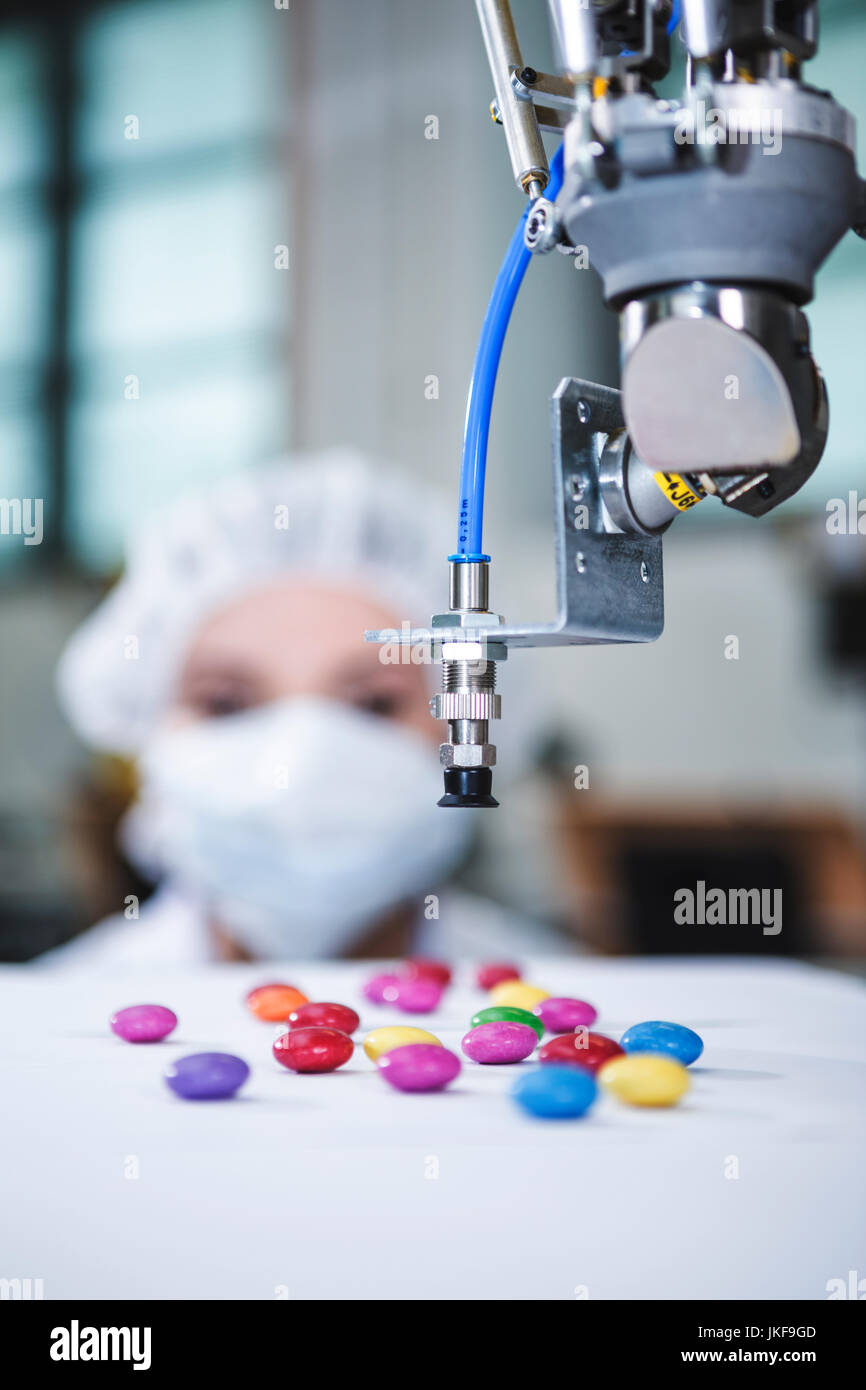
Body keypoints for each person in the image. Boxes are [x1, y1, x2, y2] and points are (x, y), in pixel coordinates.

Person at [46, 451, 567, 966]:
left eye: (373, 704)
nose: (298, 762)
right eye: (225, 704)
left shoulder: (568, 1005)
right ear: (149, 725)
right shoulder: (50, 1019)